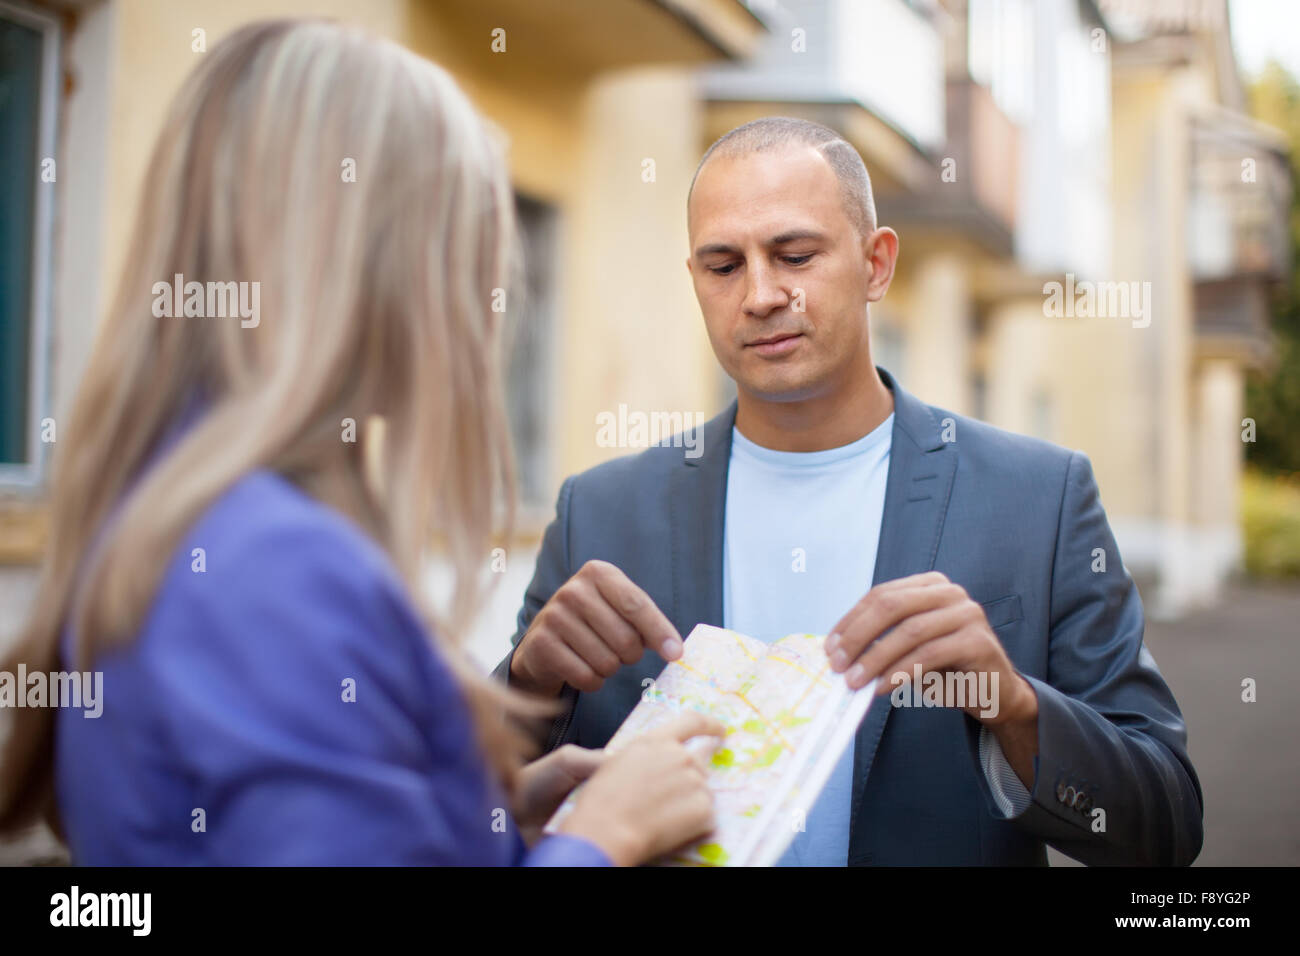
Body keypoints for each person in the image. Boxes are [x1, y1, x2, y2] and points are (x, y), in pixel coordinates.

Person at [0, 19, 724, 867]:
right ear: (373, 261)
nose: (485, 305)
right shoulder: (277, 567)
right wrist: (607, 839)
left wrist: (488, 820)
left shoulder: (190, 519)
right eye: (464, 250)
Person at [495, 117, 1205, 866]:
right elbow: (465, 811)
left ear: (876, 264)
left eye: (794, 255)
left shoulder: (1041, 499)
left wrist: (1013, 705)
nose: (762, 294)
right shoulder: (598, 514)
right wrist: (528, 685)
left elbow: (1164, 828)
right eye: (723, 265)